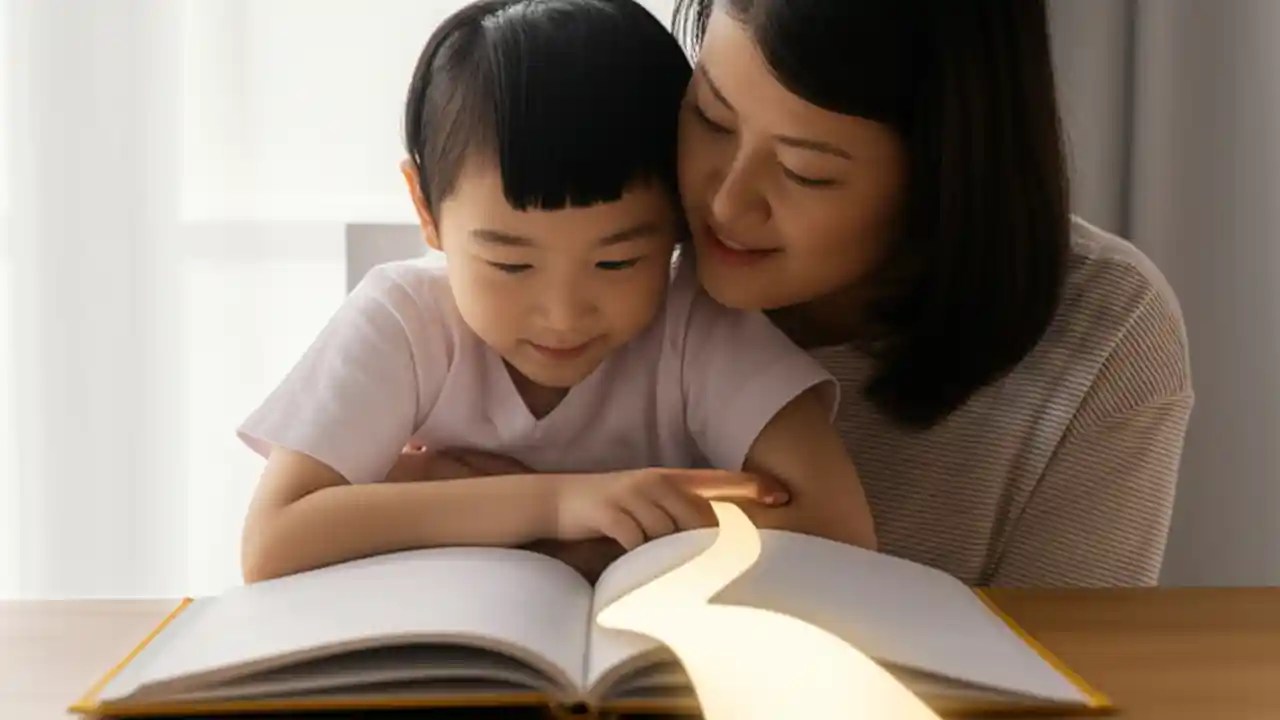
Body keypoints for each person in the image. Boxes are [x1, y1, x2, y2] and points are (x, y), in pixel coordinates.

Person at [406, 0, 1195, 588]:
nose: (724, 203)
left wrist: (557, 533)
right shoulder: (602, 256)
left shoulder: (1102, 333)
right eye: (712, 118)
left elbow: (1070, 668)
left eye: (805, 171)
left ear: (946, 174)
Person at [235, 0, 877, 584]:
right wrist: (557, 502)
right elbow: (273, 542)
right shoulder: (402, 321)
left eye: (617, 261)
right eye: (511, 264)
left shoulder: (696, 323)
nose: (563, 315)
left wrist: (566, 538)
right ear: (425, 209)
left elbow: (838, 526)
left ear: (679, 220)